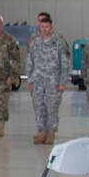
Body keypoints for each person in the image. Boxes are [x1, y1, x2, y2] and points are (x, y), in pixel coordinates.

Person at [26, 14, 70, 145]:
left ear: (51, 27)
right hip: (38, 81)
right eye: (42, 27)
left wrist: (63, 82)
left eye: (46, 27)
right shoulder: (35, 43)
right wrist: (30, 80)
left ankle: (51, 132)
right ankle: (41, 132)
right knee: (39, 107)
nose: (44, 29)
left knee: (52, 108)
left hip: (53, 82)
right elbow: (30, 62)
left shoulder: (59, 43)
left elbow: (65, 63)